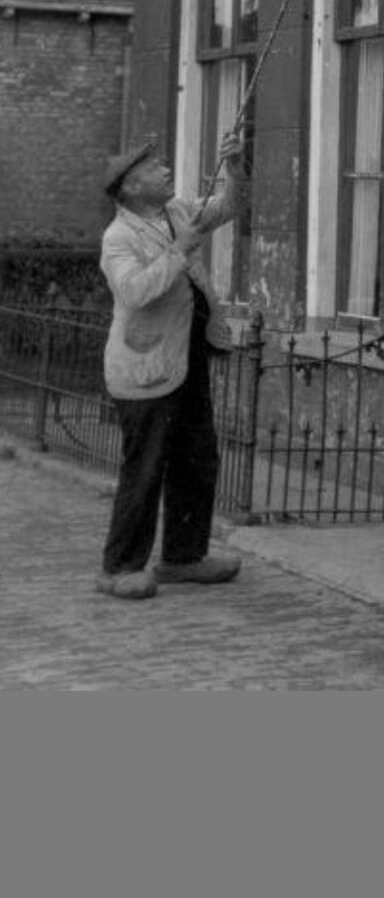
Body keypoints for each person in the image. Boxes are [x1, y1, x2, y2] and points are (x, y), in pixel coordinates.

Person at [96, 133, 245, 600]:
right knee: (145, 468)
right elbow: (135, 292)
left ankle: (184, 557)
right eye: (154, 167)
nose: (165, 170)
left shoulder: (177, 211)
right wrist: (178, 251)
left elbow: (229, 206)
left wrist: (234, 167)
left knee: (197, 459)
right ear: (131, 187)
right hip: (145, 369)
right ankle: (119, 567)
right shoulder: (118, 238)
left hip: (187, 358)